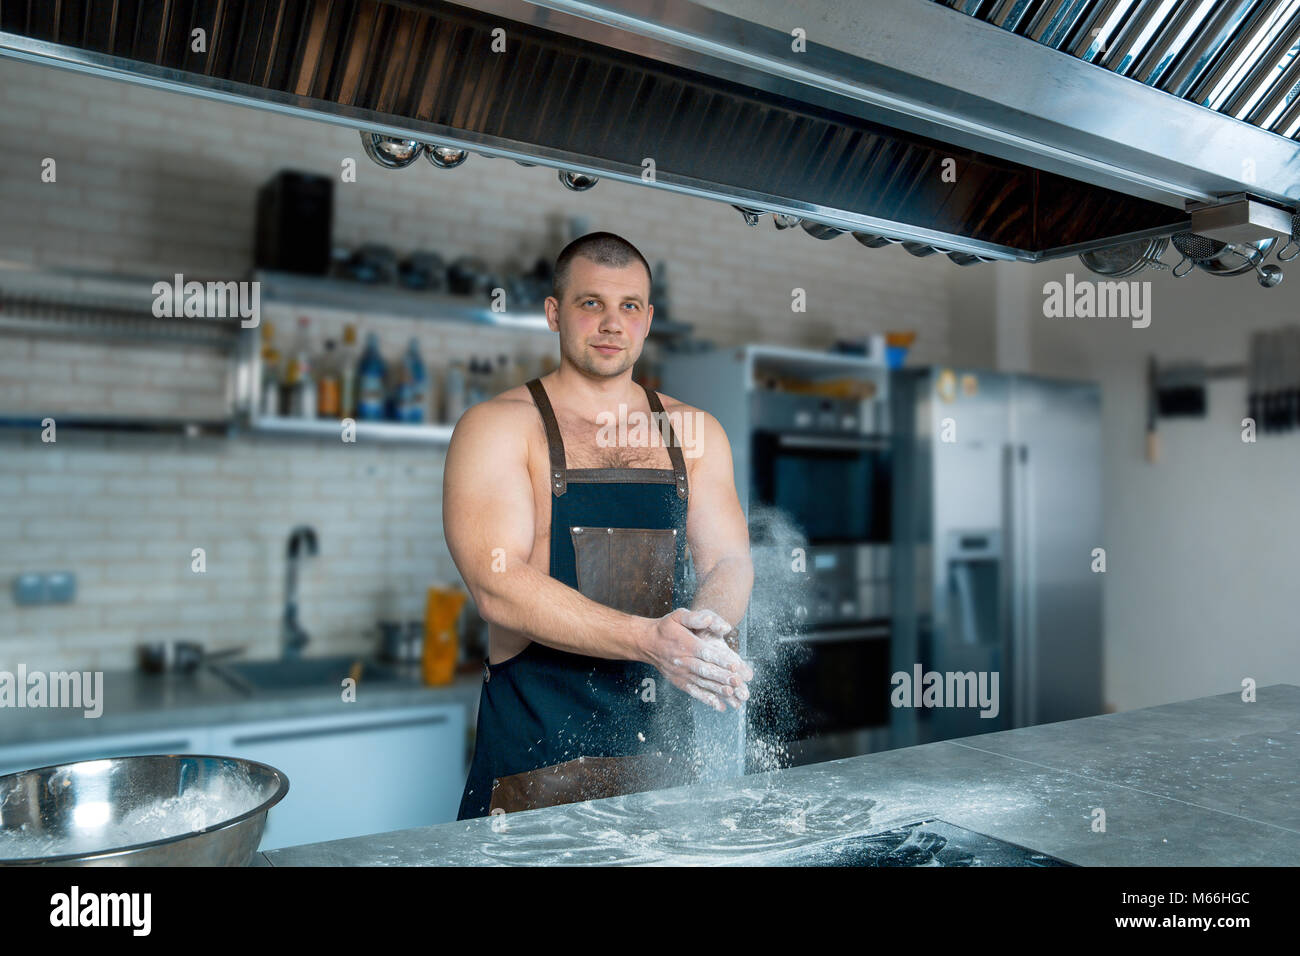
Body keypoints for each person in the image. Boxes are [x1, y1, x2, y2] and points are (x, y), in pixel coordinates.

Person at [444, 231, 754, 819]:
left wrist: (707, 634)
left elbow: (728, 562)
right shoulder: (498, 427)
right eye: (592, 304)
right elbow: (497, 585)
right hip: (530, 773)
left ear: (648, 319)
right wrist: (649, 642)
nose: (612, 324)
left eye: (629, 306)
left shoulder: (696, 433)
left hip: (663, 773)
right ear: (554, 313)